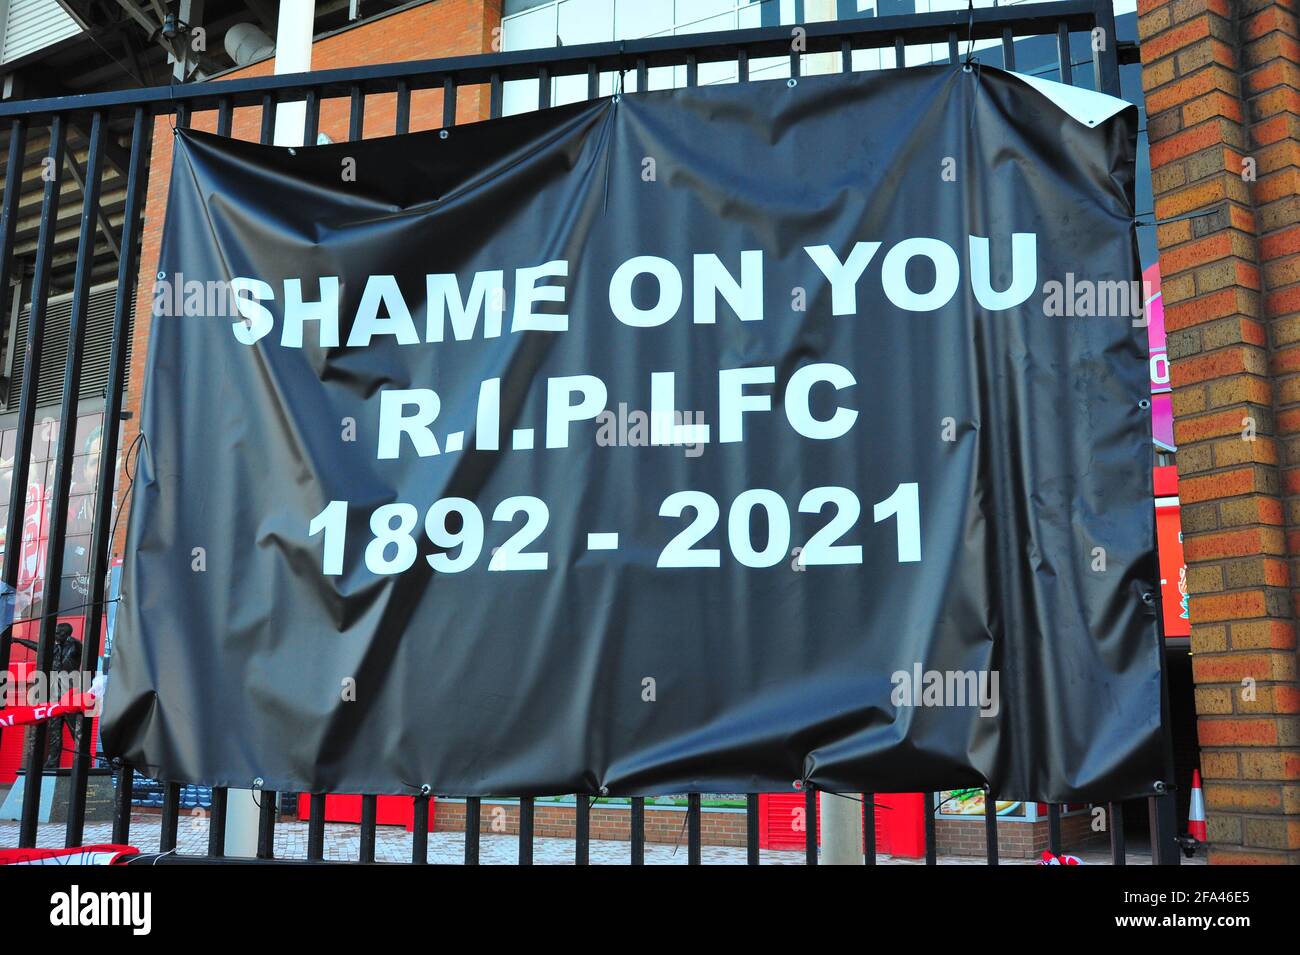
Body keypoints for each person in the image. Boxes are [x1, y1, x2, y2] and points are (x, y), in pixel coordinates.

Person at [8, 622, 82, 769]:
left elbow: (66, 658)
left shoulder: (74, 646)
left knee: (76, 729)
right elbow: (38, 647)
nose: (55, 636)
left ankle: (82, 761)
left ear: (66, 635)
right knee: (55, 730)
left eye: (58, 634)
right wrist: (18, 640)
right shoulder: (55, 647)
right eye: (55, 633)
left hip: (69, 695)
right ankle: (53, 761)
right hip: (55, 695)